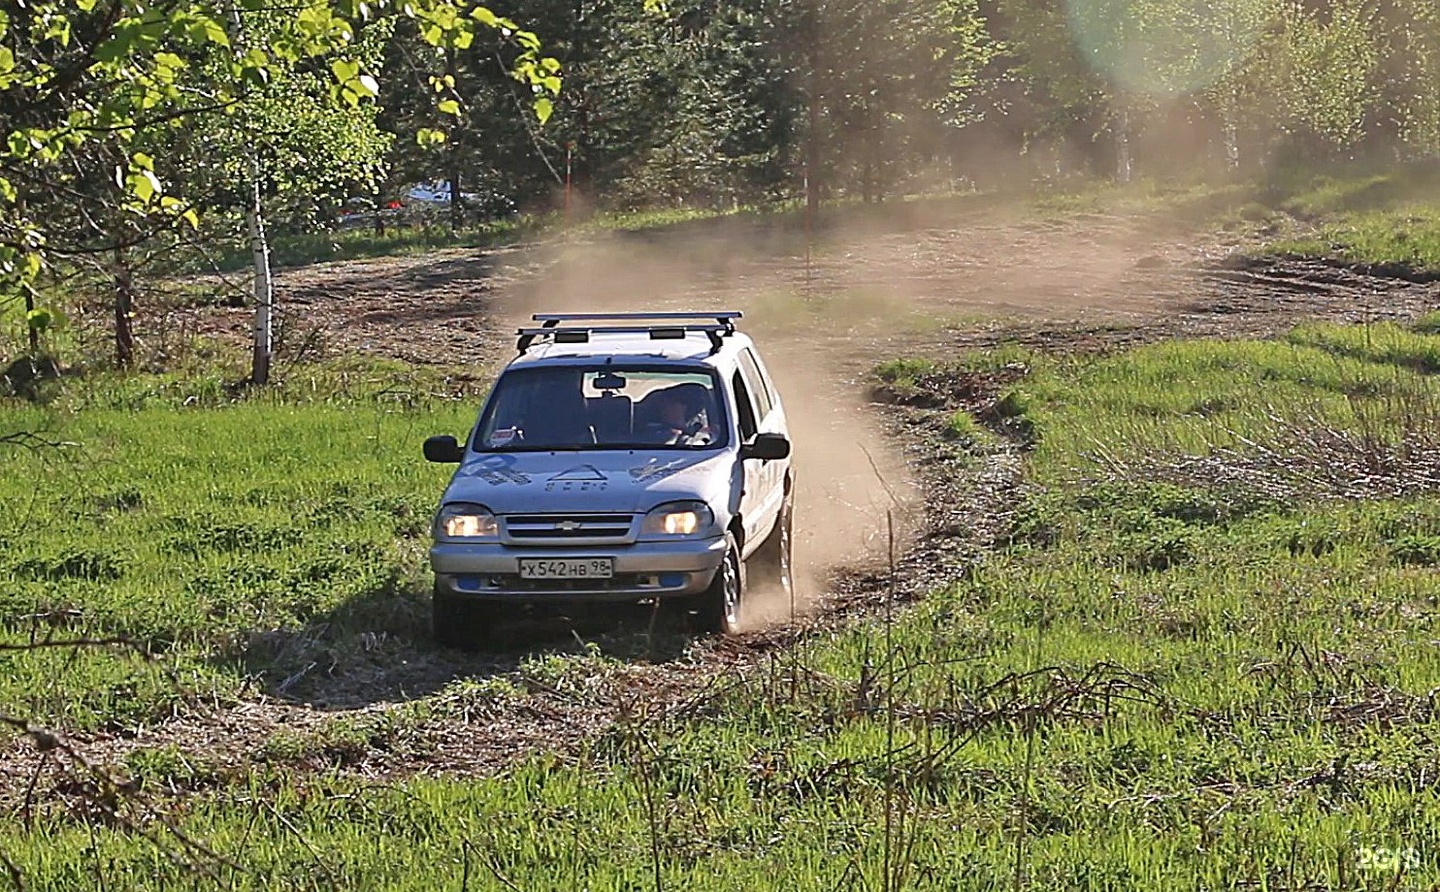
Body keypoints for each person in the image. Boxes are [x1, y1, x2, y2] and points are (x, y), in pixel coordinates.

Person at [639, 383, 716, 446]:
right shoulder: (644, 436)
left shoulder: (706, 440)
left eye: (671, 405)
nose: (665, 408)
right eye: (664, 404)